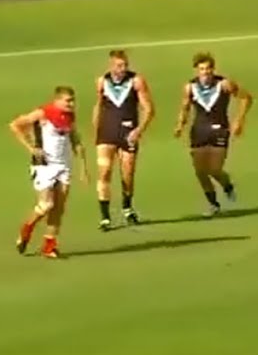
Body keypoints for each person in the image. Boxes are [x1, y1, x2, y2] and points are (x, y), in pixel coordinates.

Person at [10, 86, 90, 259]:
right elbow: (15, 125)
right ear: (58, 100)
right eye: (68, 100)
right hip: (45, 165)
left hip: (64, 165)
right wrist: (31, 148)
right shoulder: (43, 113)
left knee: (59, 208)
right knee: (46, 205)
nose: (72, 104)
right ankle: (27, 229)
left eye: (73, 100)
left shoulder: (70, 117)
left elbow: (75, 139)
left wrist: (83, 168)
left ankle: (49, 246)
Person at [172, 52, 252, 218]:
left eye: (208, 68)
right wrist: (180, 124)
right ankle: (213, 203)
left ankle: (227, 185)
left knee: (215, 169)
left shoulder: (224, 84)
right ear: (197, 70)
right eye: (202, 69)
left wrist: (239, 121)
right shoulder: (190, 87)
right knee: (200, 171)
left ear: (213, 69)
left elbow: (246, 98)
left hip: (219, 129)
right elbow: (185, 107)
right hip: (199, 130)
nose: (206, 72)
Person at [92, 50, 155, 230]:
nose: (123, 69)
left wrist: (139, 130)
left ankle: (127, 207)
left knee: (127, 174)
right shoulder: (101, 82)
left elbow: (149, 109)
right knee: (104, 172)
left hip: (128, 133)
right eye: (119, 65)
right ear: (111, 65)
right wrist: (95, 129)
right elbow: (98, 106)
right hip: (106, 133)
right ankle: (105, 217)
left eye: (125, 65)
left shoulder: (136, 81)